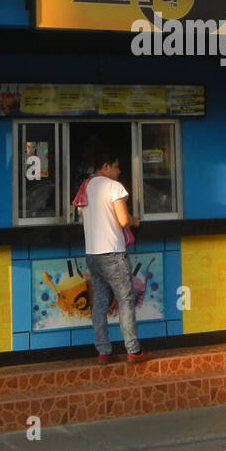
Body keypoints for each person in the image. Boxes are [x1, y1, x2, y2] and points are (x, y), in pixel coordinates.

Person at [76, 149, 147, 364]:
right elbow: (123, 220)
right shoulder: (113, 186)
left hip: (92, 254)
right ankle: (133, 350)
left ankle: (104, 351)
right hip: (113, 254)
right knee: (125, 301)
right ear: (105, 167)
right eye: (116, 166)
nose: (119, 170)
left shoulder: (86, 187)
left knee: (99, 303)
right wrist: (136, 221)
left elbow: (82, 219)